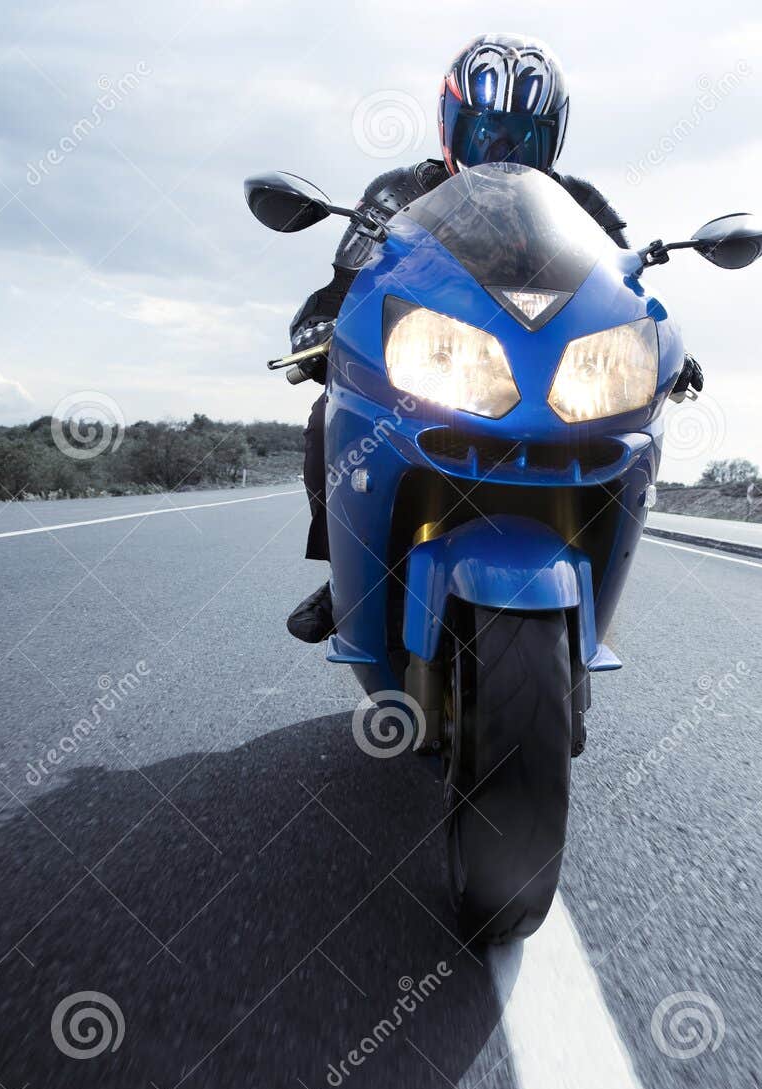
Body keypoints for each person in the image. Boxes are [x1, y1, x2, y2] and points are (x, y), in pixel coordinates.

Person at [286, 33, 702, 643]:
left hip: (551, 376)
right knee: (328, 419)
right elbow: (348, 281)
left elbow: (624, 287)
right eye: (485, 131)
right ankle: (343, 578)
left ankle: (584, 589)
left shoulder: (581, 205)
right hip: (436, 364)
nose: (502, 150)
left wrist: (663, 350)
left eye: (524, 135)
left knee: (626, 436)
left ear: (553, 136)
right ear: (451, 125)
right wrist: (321, 325)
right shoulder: (396, 195)